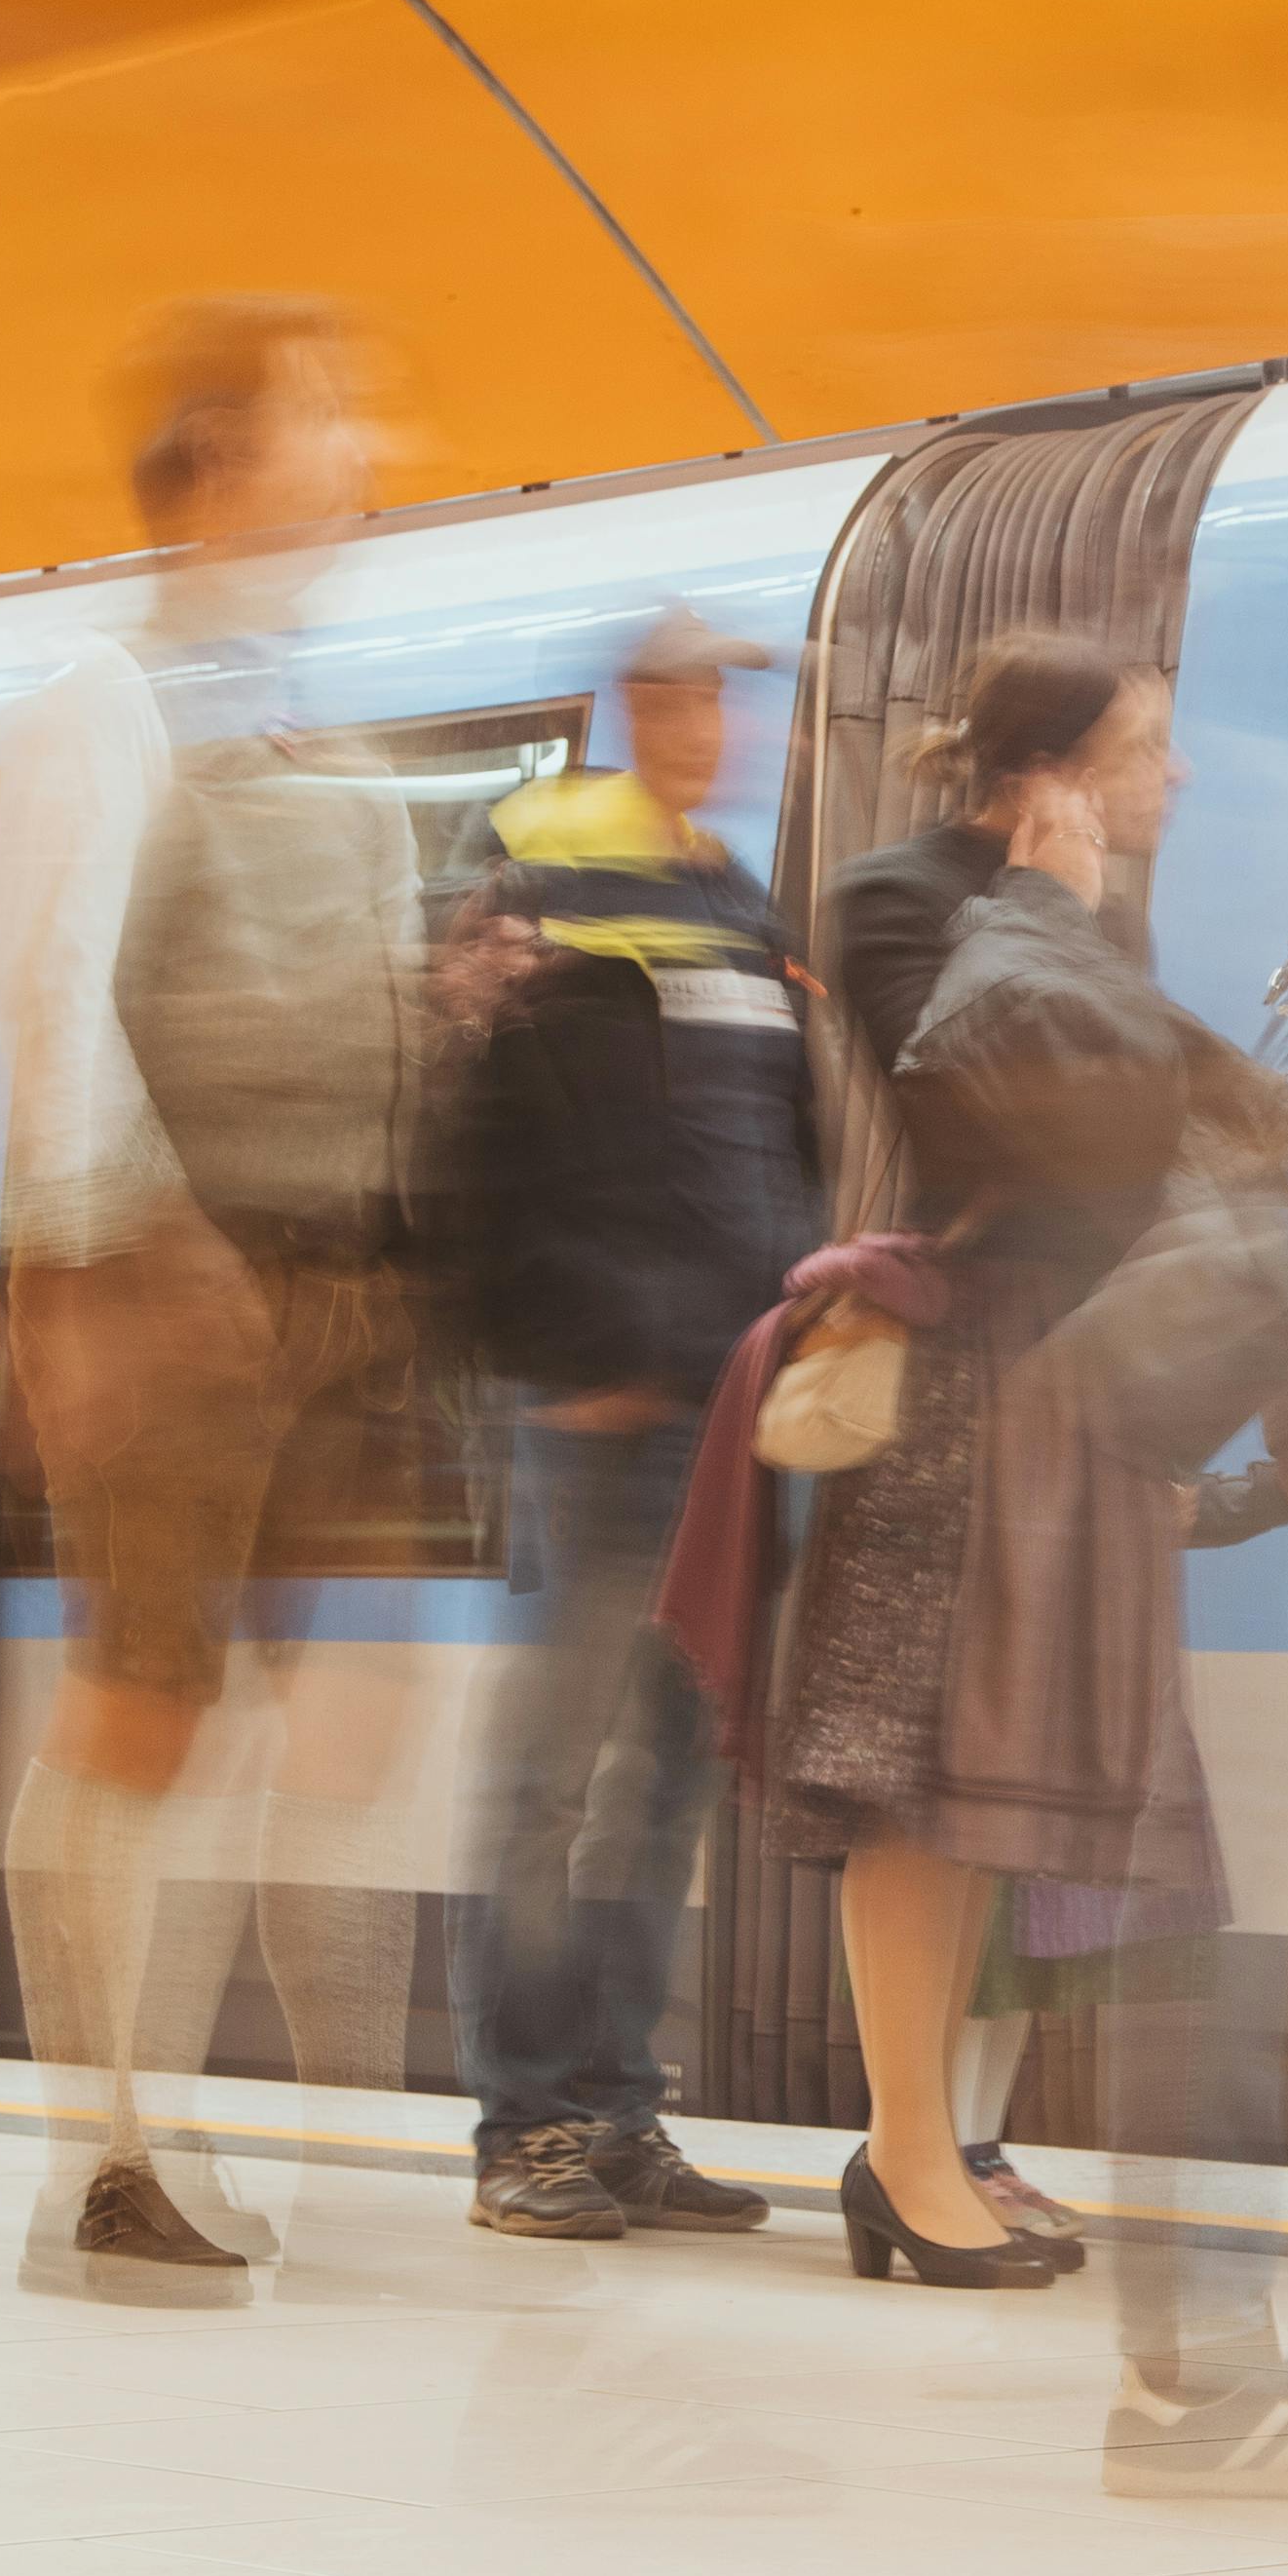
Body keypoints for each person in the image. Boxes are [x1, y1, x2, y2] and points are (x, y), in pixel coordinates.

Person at [0, 295, 434, 2301]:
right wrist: (98, 1262)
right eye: (334, 417)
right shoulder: (113, 695)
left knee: (273, 1714)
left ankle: (176, 2116)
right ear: (222, 463)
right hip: (179, 1272)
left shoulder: (317, 726)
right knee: (141, 1699)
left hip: (323, 1285)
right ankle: (102, 2152)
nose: (370, 453)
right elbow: (63, 985)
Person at [776, 634, 1190, 2286]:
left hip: (1069, 1378)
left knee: (974, 1787)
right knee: (910, 1778)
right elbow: (977, 1103)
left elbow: (1136, 1148)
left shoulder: (1080, 923)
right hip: (957, 1380)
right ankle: (905, 2151)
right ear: (1058, 771)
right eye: (1149, 745)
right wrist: (1046, 919)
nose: (1175, 776)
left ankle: (925, 2147)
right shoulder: (902, 901)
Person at [439, 610, 816, 2239]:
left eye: (724, 696)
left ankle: (619, 2115)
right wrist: (567, 1339)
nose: (705, 722)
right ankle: (521, 2124)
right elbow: (481, 1135)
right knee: (554, 1767)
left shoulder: (732, 900)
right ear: (629, 704)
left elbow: (776, 1140)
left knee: (665, 1774)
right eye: (679, 692)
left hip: (731, 1398)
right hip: (603, 1398)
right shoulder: (537, 862)